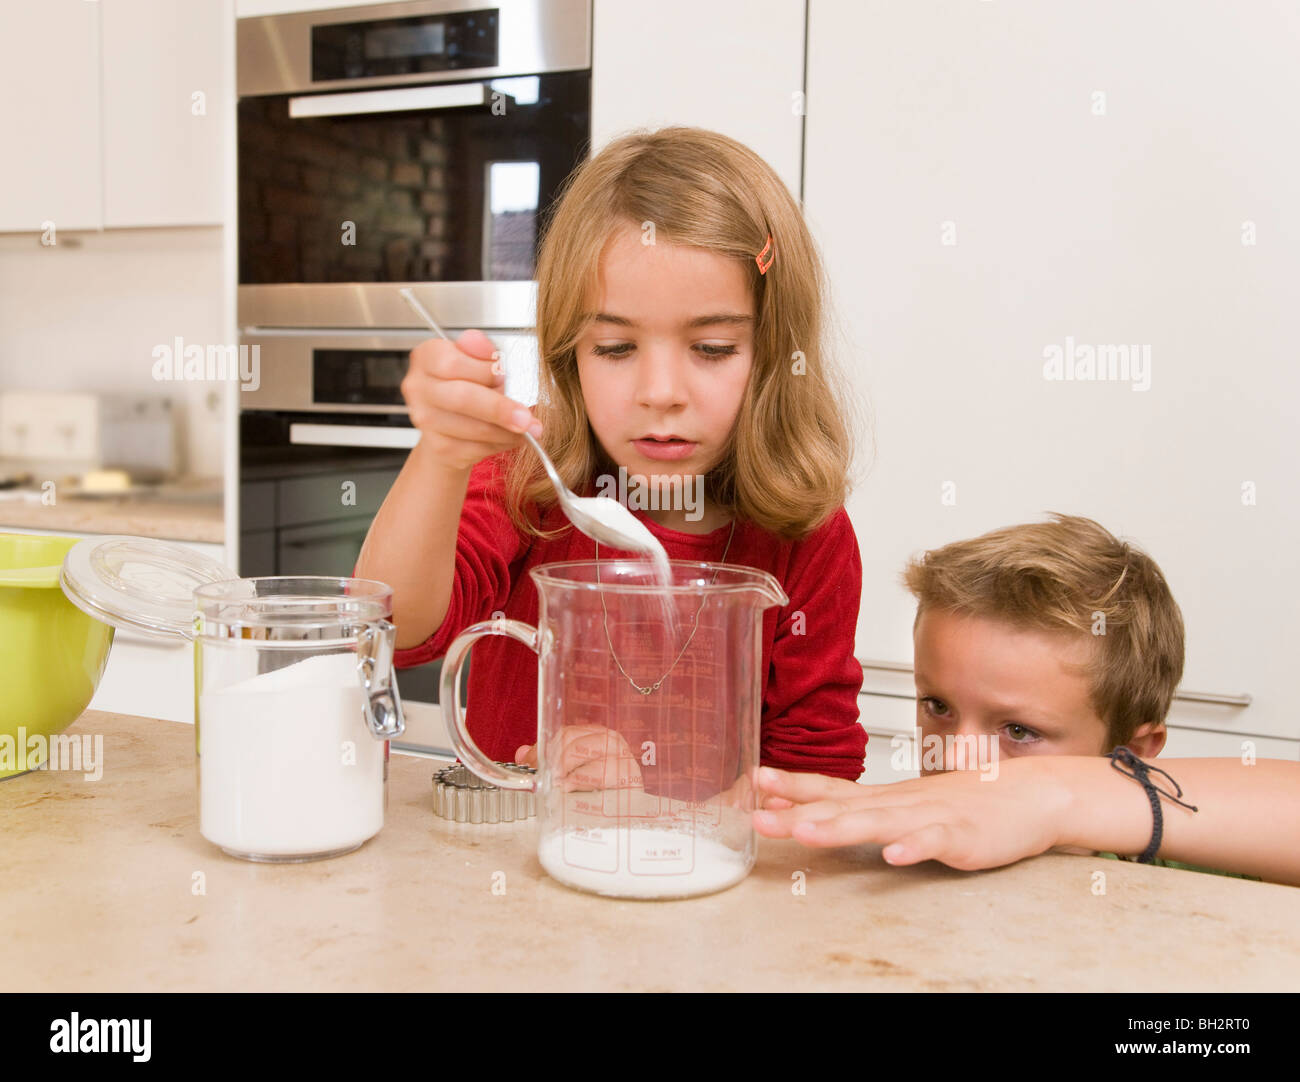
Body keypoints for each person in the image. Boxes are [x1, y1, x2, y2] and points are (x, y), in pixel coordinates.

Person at [356, 126, 868, 786]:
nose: (660, 394)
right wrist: (442, 457)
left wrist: (652, 805)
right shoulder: (527, 480)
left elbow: (815, 779)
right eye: (615, 350)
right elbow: (393, 631)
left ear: (775, 355)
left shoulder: (808, 538)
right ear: (569, 354)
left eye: (711, 349)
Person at [754, 515, 1300, 886]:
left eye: (1018, 731)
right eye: (938, 706)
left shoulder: (1187, 864)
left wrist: (1049, 797)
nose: (956, 758)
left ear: (1135, 751)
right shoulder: (903, 842)